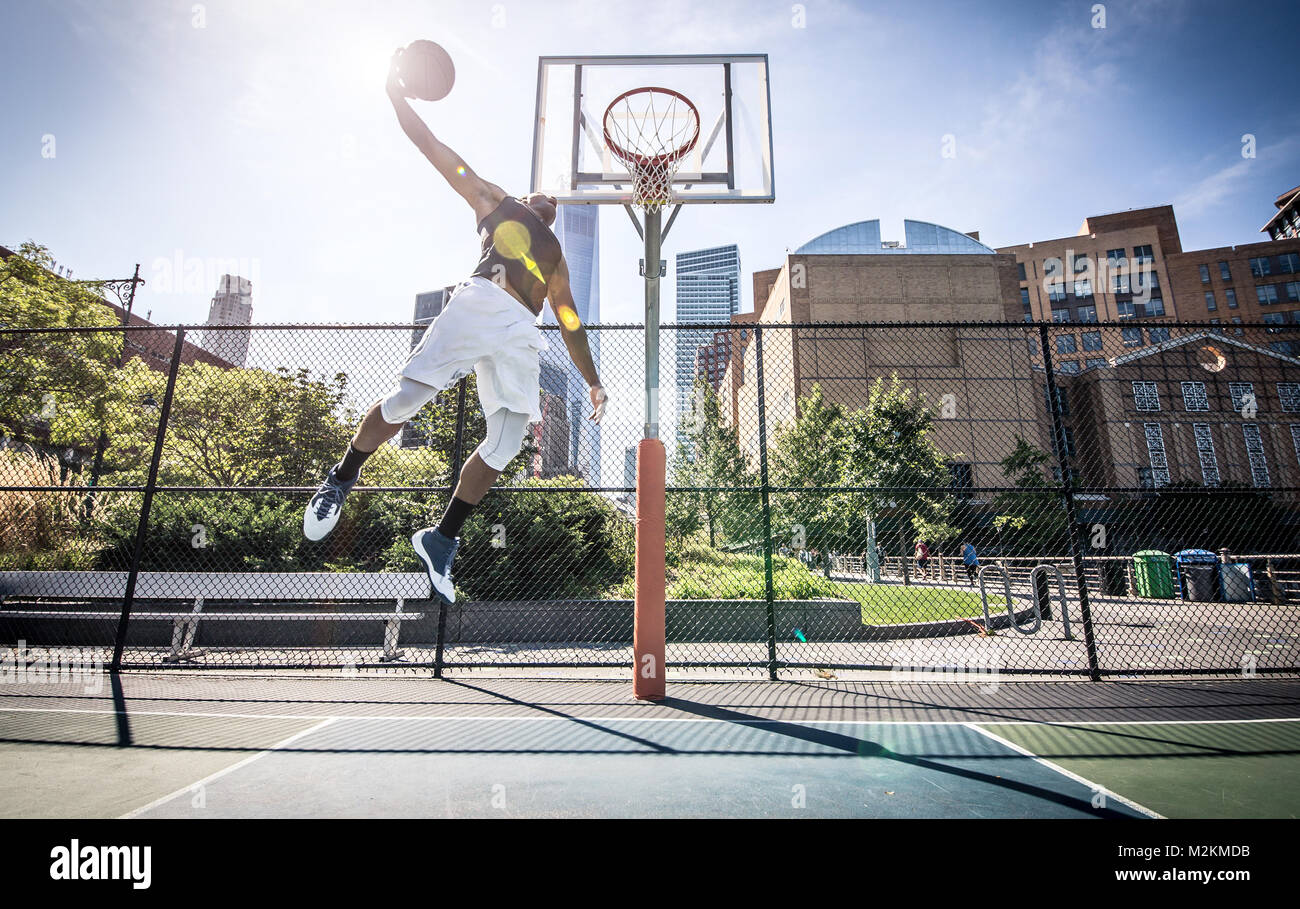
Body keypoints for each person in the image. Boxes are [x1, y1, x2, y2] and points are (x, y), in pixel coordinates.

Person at [302, 51, 606, 605]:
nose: (550, 201)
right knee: (408, 400)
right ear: (524, 200)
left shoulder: (557, 258)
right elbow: (434, 150)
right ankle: (340, 479)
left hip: (520, 329)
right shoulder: (495, 202)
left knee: (510, 438)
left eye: (554, 202)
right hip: (481, 302)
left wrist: (591, 380)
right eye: (542, 196)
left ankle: (441, 540)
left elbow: (568, 320)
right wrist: (396, 96)